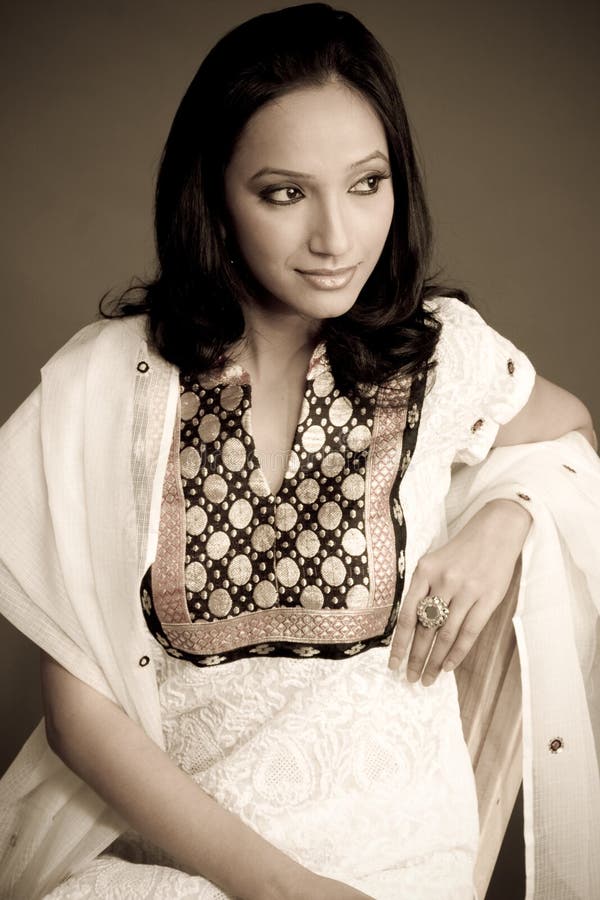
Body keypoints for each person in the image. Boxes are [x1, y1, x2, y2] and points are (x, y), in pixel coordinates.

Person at [0, 4, 598, 899]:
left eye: (366, 184)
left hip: (400, 859)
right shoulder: (105, 384)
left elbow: (572, 430)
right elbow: (81, 713)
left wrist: (505, 520)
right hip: (184, 862)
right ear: (212, 193)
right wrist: (281, 890)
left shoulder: (439, 353)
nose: (338, 238)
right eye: (285, 193)